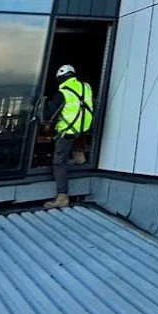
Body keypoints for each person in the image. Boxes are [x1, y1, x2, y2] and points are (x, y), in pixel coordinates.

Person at [43, 64, 93, 208]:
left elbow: (48, 116)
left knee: (59, 162)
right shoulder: (86, 87)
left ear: (60, 78)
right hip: (82, 127)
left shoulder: (63, 93)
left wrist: (43, 103)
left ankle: (62, 196)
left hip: (68, 130)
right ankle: (79, 156)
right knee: (74, 139)